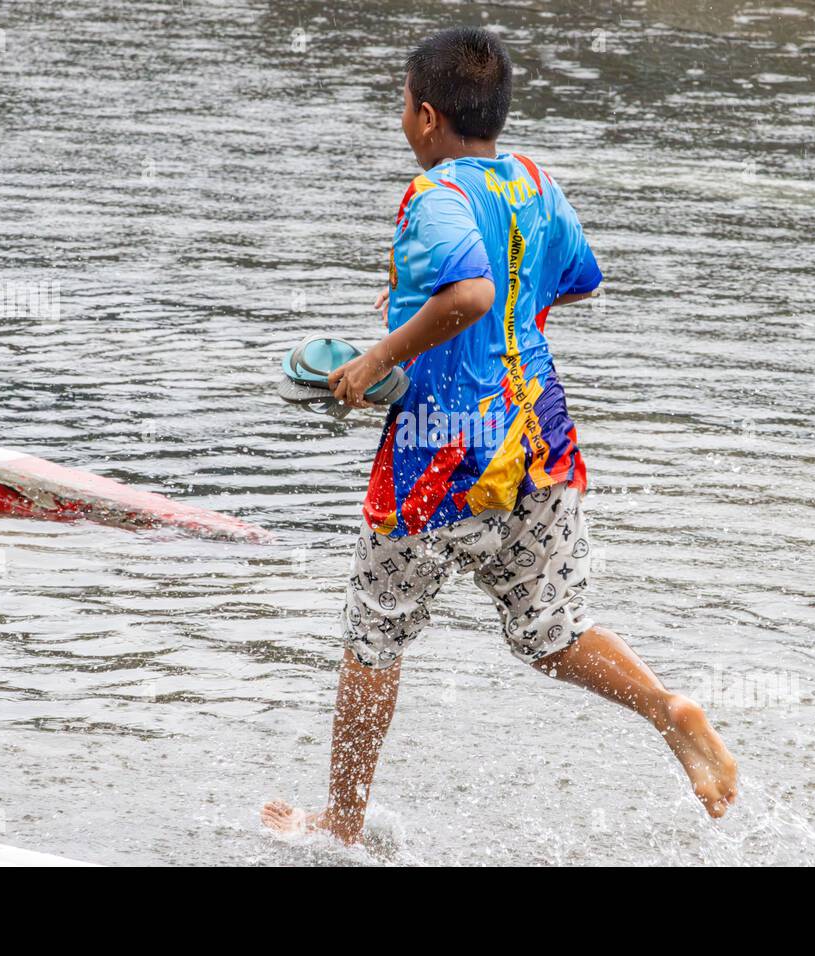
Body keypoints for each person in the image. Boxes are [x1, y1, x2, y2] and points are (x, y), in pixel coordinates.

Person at [263, 26, 737, 846]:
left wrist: (376, 358)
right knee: (550, 629)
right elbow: (580, 279)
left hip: (439, 456)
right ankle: (667, 709)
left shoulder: (435, 195)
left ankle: (340, 826)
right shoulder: (536, 185)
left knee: (374, 635)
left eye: (401, 107)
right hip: (540, 442)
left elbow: (473, 294)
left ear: (423, 115)